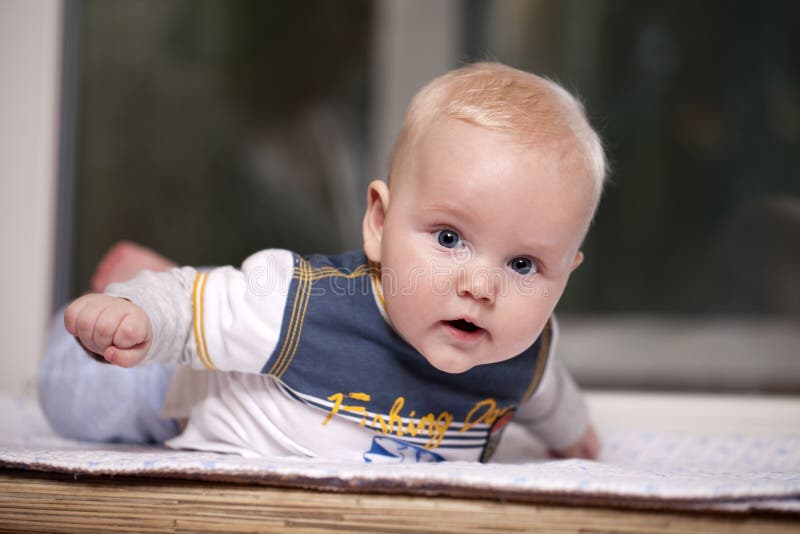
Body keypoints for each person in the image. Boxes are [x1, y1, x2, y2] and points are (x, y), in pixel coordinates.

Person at [42, 62, 605, 463]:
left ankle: (197, 292)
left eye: (525, 266)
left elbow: (552, 396)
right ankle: (164, 287)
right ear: (380, 224)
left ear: (566, 276)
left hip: (244, 330)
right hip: (170, 387)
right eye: (451, 238)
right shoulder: (303, 304)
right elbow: (193, 317)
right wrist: (139, 313)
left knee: (228, 307)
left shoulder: (526, 355)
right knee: (74, 391)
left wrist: (574, 434)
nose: (481, 286)